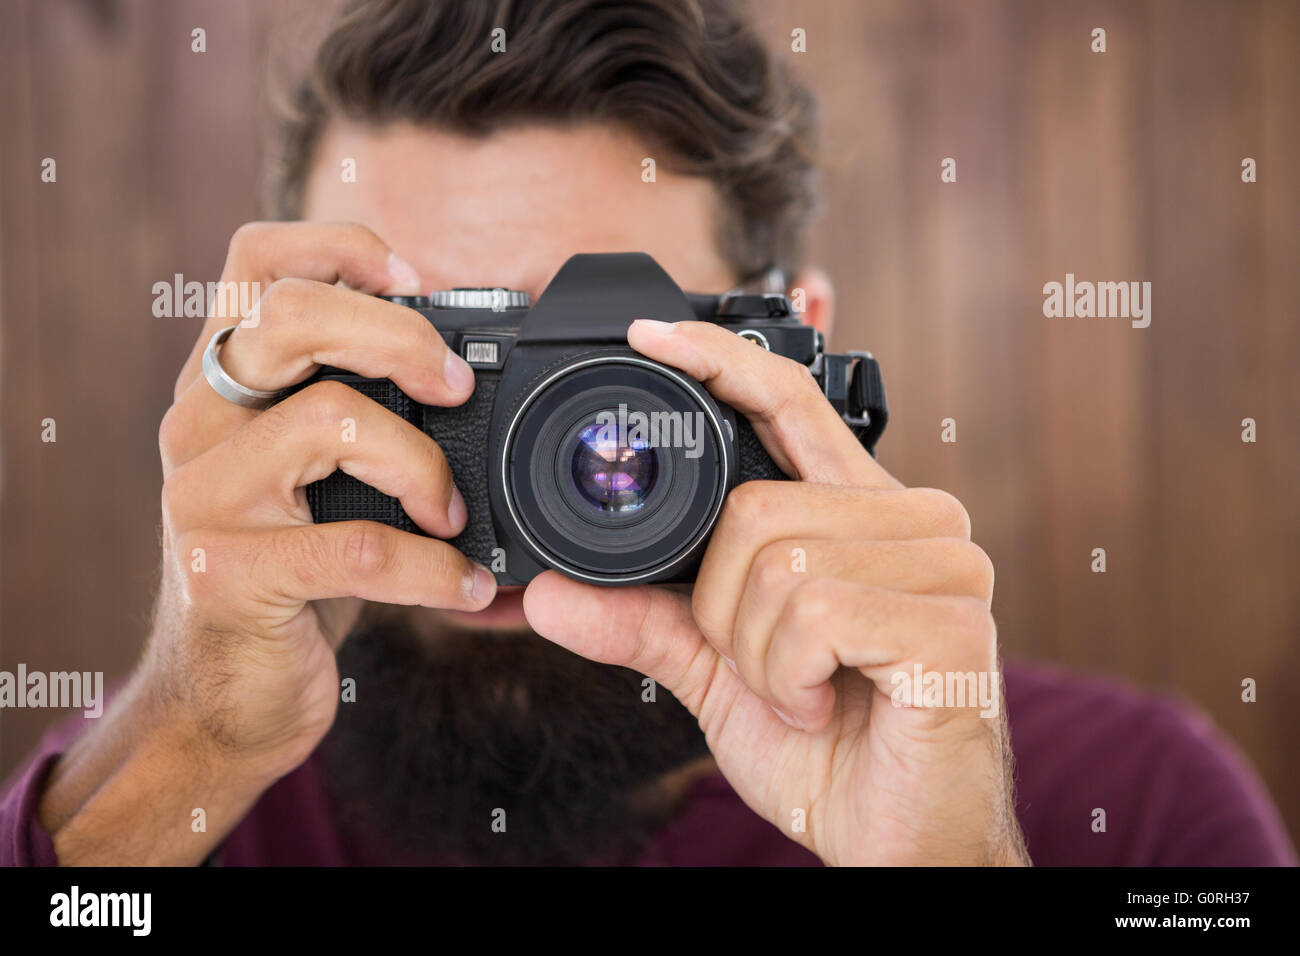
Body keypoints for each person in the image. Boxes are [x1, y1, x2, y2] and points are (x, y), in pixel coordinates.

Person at [1, 0, 1293, 866]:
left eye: (602, 365)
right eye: (439, 359)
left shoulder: (1131, 808)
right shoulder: (183, 790)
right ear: (294, 369)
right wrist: (185, 753)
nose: (537, 454)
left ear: (792, 361)